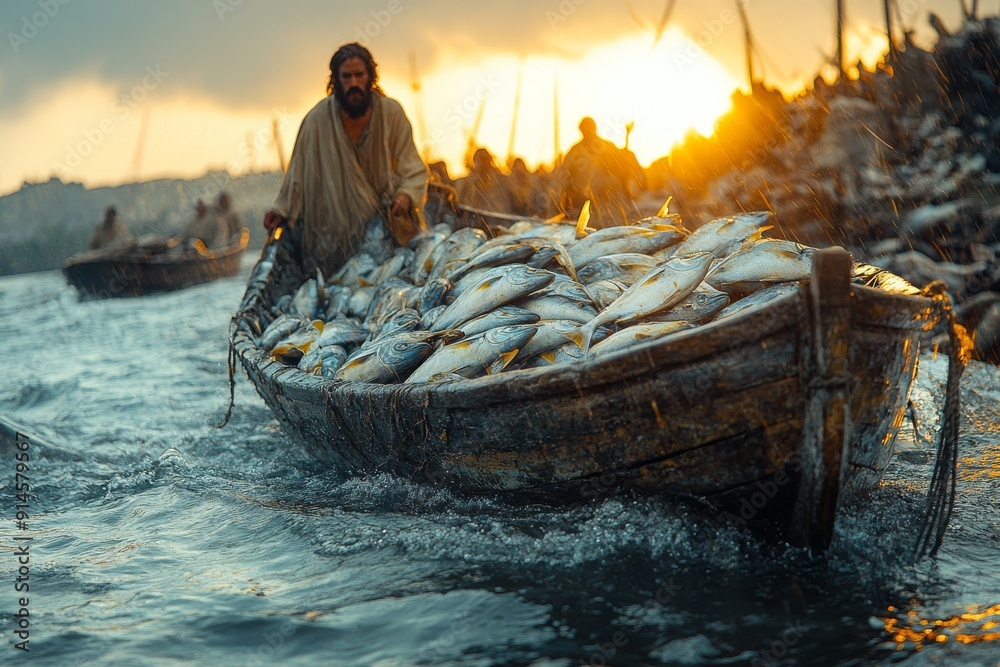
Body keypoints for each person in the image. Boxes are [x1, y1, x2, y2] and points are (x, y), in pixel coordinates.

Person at [264, 43, 428, 275]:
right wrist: (280, 209)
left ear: (370, 77)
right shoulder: (316, 121)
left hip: (388, 228)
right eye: (346, 77)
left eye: (359, 75)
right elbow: (296, 176)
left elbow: (413, 167)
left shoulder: (391, 113)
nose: (353, 84)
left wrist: (406, 196)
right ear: (336, 80)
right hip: (333, 239)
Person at [559, 117, 643, 227]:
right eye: (585, 129)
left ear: (595, 128)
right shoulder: (575, 152)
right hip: (584, 200)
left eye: (589, 128)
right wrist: (567, 202)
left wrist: (626, 186)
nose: (587, 131)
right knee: (588, 230)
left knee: (612, 228)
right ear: (581, 130)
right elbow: (567, 176)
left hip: (608, 197)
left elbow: (622, 163)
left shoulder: (606, 146)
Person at [456, 148, 513, 213]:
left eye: (484, 160)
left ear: (489, 161)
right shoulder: (469, 182)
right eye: (478, 161)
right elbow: (463, 202)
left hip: (497, 218)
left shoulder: (500, 179)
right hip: (476, 217)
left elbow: (506, 202)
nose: (481, 164)